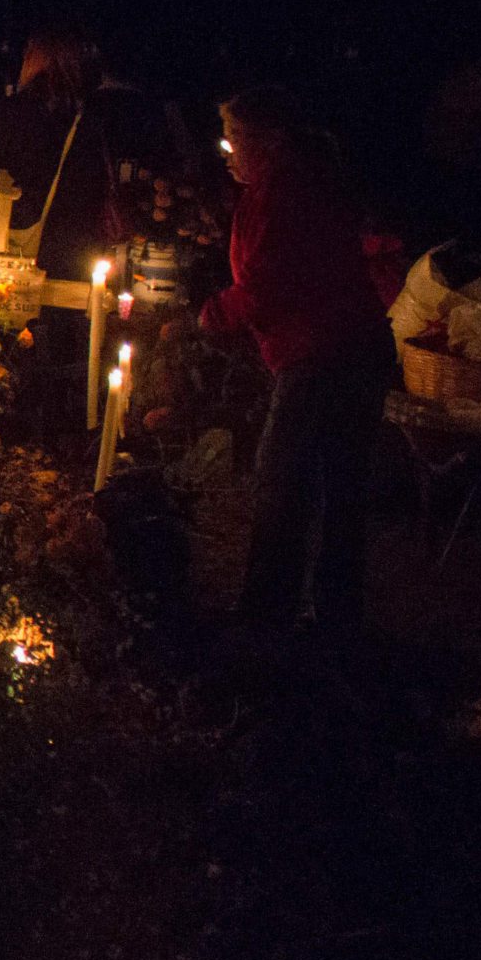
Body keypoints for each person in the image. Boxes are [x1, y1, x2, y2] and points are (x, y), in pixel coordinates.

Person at [200, 86, 392, 633]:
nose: (228, 151)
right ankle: (334, 617)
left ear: (271, 139)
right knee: (337, 486)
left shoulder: (286, 190)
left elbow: (268, 284)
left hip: (324, 352)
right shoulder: (293, 180)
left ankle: (269, 614)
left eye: (236, 137)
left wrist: (211, 315)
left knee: (283, 481)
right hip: (348, 347)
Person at [0, 29, 172, 276]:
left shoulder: (18, 110)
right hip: (79, 237)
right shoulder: (91, 111)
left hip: (24, 230)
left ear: (38, 59)